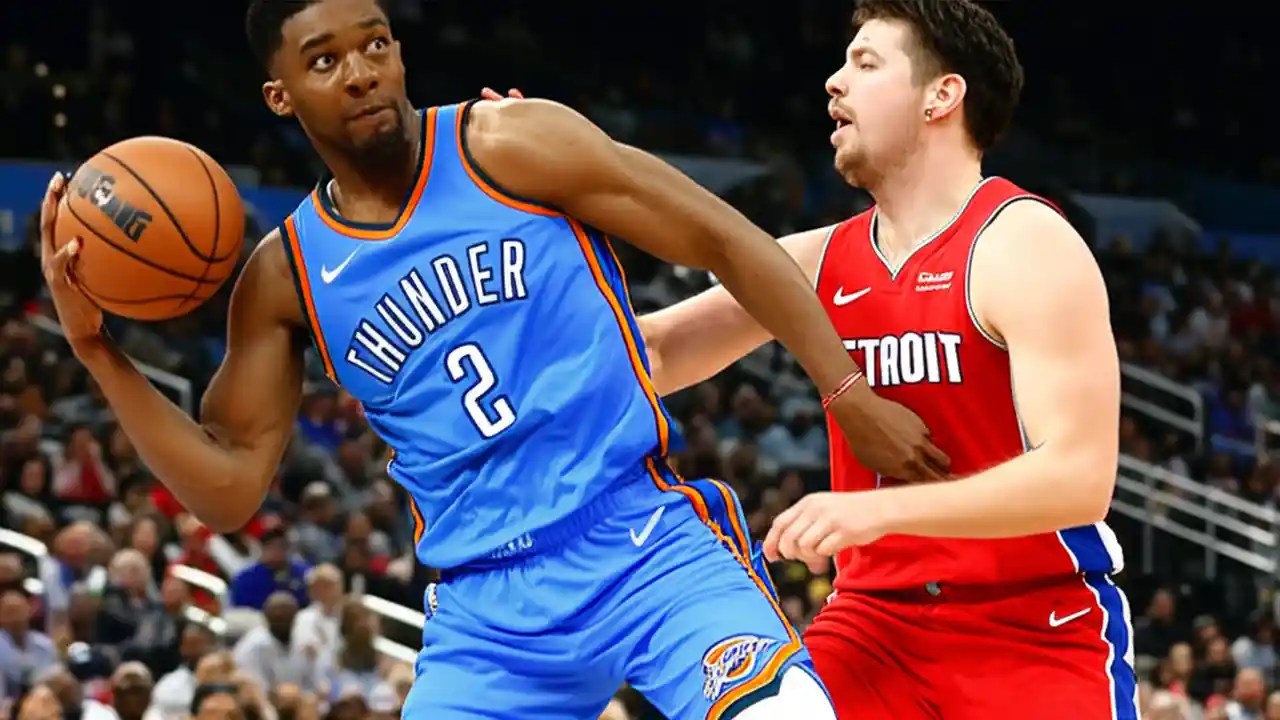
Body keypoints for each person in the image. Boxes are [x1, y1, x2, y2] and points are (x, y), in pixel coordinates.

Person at [37, 0, 949, 717]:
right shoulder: (284, 280)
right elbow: (230, 487)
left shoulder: (505, 143)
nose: (360, 73)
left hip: (638, 540)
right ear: (282, 95)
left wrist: (846, 386)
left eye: (376, 44)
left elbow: (719, 234)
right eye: (324, 61)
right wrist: (96, 350)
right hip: (486, 610)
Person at [629, 0, 1135, 717]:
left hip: (1029, 626)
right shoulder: (816, 258)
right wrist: (534, 213)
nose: (834, 82)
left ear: (942, 95)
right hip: (873, 624)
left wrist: (878, 514)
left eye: (865, 64)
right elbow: (649, 351)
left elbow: (1079, 478)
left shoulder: (1021, 241)